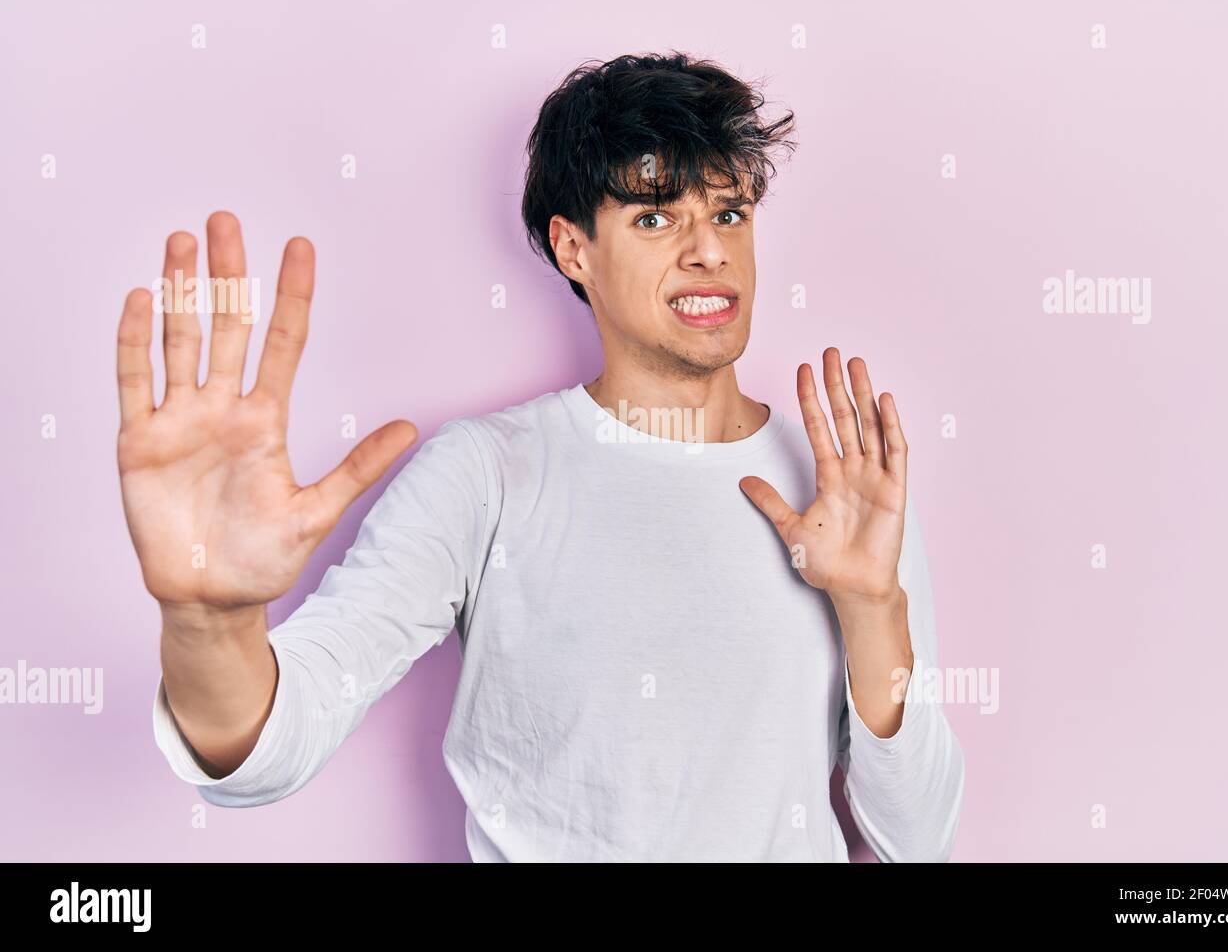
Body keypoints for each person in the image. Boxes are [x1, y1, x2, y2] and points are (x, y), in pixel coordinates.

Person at [116, 52, 964, 862]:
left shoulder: (840, 483)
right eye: (655, 215)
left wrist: (871, 606)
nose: (709, 250)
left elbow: (918, 841)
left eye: (729, 213)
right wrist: (210, 620)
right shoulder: (486, 473)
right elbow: (268, 750)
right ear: (573, 248)